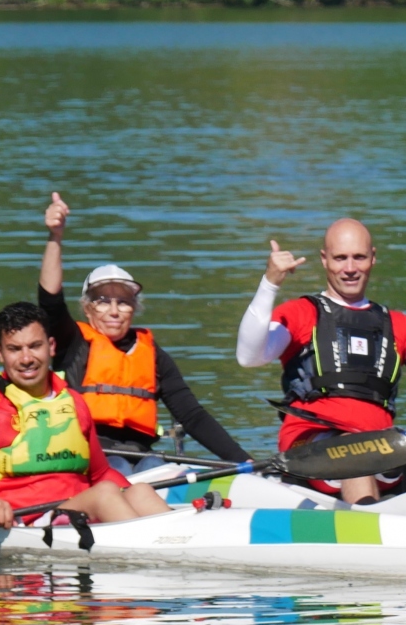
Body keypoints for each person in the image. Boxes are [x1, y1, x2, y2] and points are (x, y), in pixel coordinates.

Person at [234, 218, 406, 503]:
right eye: (340, 258)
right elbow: (249, 356)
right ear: (324, 260)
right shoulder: (301, 313)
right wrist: (270, 283)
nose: (349, 268)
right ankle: (372, 527)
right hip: (308, 452)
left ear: (373, 258)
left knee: (402, 451)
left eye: (358, 257)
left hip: (382, 448)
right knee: (354, 449)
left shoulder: (397, 325)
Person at [36, 192, 251, 474]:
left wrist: (244, 461)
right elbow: (50, 301)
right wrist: (55, 237)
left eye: (123, 302)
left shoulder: (153, 355)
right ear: (87, 309)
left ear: (134, 308)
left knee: (163, 469)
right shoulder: (73, 342)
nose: (114, 310)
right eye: (102, 301)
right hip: (89, 455)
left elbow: (192, 416)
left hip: (142, 456)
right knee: (118, 469)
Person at [0, 303, 171, 528]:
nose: (26, 358)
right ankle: (161, 558)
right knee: (104, 495)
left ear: (51, 347)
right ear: (0, 353)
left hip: (78, 516)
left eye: (35, 346)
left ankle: (182, 540)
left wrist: (133, 497)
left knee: (140, 491)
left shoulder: (74, 403)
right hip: (25, 524)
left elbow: (101, 473)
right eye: (15, 349)